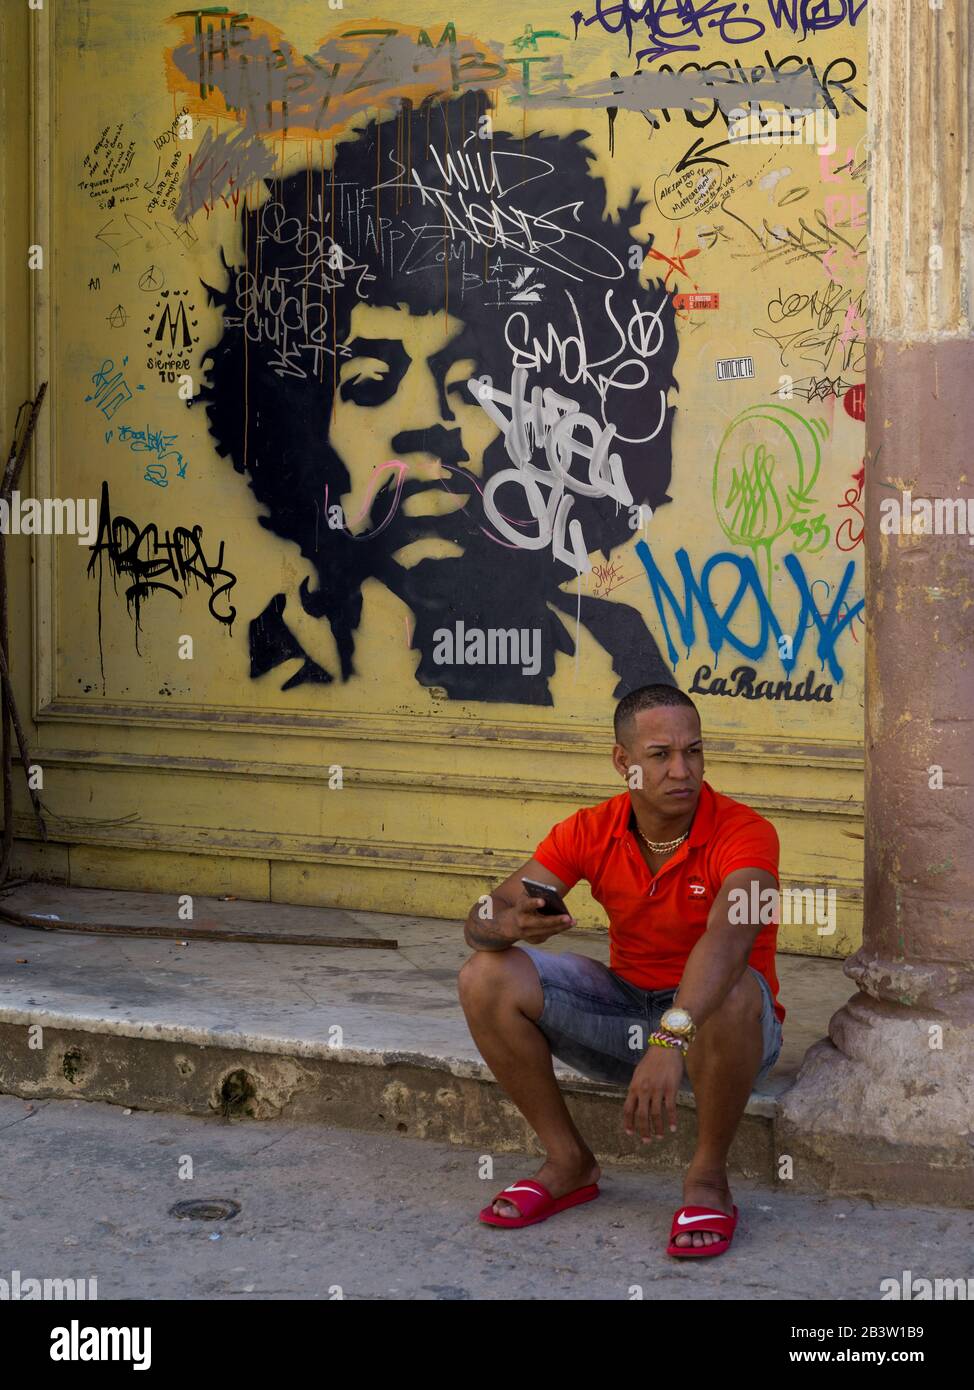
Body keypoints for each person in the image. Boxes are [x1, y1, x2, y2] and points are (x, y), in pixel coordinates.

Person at [196, 92, 680, 704]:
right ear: (299, 423)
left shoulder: (617, 659)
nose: (427, 424)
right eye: (371, 383)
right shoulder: (276, 655)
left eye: (473, 389)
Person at [458, 682, 784, 1256]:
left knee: (732, 992)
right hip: (629, 1010)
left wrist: (670, 1036)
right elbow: (485, 914)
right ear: (623, 763)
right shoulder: (588, 830)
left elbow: (730, 940)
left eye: (695, 751)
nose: (683, 770)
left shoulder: (746, 832)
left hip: (723, 1030)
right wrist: (507, 926)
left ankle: (707, 1178)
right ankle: (569, 1162)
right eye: (660, 755)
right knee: (485, 974)